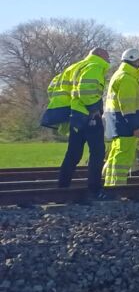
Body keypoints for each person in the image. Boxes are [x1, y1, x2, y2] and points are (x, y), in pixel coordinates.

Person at [45, 48, 111, 199]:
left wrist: (69, 105)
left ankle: (62, 187)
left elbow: (52, 87)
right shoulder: (95, 66)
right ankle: (95, 190)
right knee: (97, 152)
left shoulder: (74, 67)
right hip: (89, 116)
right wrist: (93, 109)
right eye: (107, 56)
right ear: (99, 55)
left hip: (75, 116)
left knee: (73, 153)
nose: (108, 59)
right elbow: (85, 90)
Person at [101, 48, 139, 187]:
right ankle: (117, 186)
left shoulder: (120, 74)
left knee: (116, 154)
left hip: (116, 121)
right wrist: (135, 126)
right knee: (123, 156)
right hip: (125, 123)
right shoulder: (127, 78)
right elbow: (127, 106)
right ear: (137, 61)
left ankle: (110, 184)